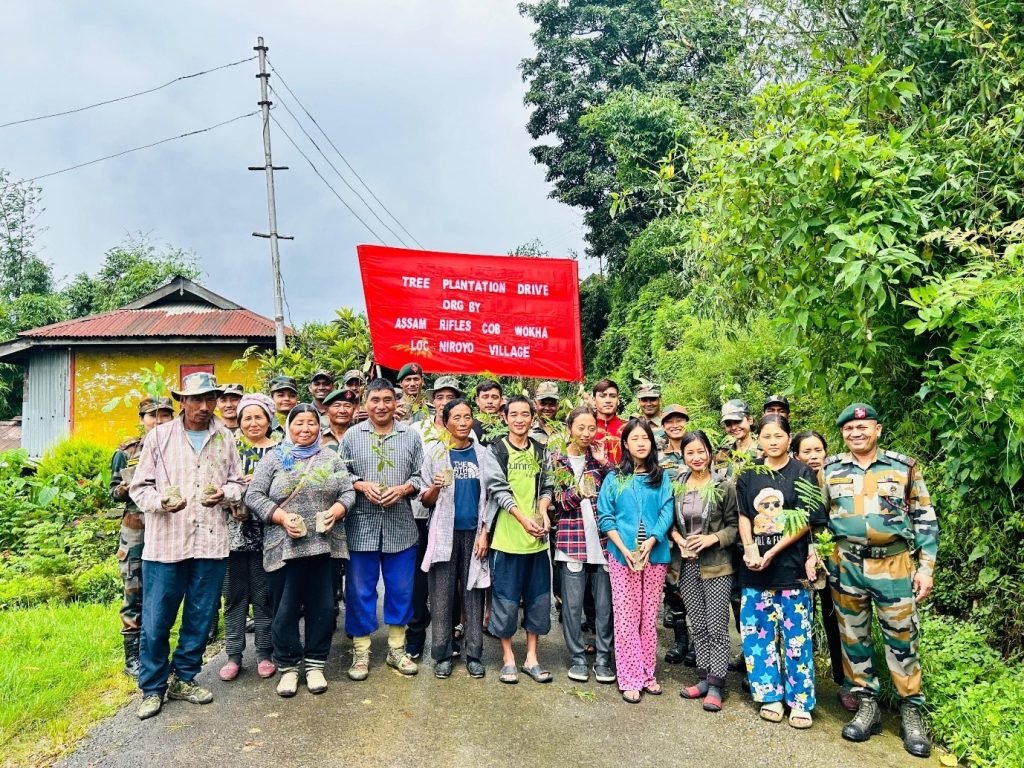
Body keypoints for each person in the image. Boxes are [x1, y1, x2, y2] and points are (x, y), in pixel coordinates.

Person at [823, 403, 937, 758]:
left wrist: (926, 567)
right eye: (849, 429)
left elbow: (924, 516)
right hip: (847, 565)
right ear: (843, 434)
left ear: (877, 430)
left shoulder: (903, 468)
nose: (856, 433)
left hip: (894, 565)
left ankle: (911, 711)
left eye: (863, 427)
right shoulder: (830, 470)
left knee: (902, 638)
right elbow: (819, 519)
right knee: (853, 638)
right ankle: (866, 705)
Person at [128, 372, 245, 720]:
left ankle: (184, 678)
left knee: (200, 616)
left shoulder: (225, 437)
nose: (204, 406)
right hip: (166, 545)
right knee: (157, 619)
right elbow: (139, 488)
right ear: (182, 401)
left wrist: (225, 494)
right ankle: (152, 687)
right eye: (196, 399)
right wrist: (162, 502)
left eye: (210, 399)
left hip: (210, 543)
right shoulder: (160, 436)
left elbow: (238, 483)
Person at [246, 403, 355, 697]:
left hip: (324, 545)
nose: (305, 429)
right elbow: (253, 495)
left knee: (323, 607)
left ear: (319, 427)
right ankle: (288, 667)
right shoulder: (274, 458)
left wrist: (336, 510)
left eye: (311, 423)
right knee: (285, 609)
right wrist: (281, 517)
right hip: (284, 547)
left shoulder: (331, 457)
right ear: (288, 427)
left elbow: (347, 492)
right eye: (299, 423)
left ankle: (316, 664)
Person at [736, 414, 824, 729]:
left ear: (789, 438)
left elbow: (807, 519)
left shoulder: (802, 472)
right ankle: (769, 695)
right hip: (754, 570)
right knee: (757, 636)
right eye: (766, 436)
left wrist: (772, 552)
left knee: (796, 638)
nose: (772, 442)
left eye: (778, 436)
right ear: (758, 438)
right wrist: (750, 549)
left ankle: (800, 701)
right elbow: (743, 515)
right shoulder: (748, 473)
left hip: (791, 569)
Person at [341, 379, 425, 680]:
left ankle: (397, 649)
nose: (381, 406)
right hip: (360, 526)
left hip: (400, 527)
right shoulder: (352, 436)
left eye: (387, 399)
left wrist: (403, 489)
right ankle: (361, 650)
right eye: (375, 400)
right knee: (359, 591)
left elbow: (420, 476)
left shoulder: (410, 436)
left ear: (396, 402)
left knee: (401, 590)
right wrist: (360, 484)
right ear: (365, 403)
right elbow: (340, 474)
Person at [597, 419, 674, 704]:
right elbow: (606, 516)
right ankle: (629, 677)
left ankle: (647, 673)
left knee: (648, 617)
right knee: (626, 618)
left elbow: (667, 511)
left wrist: (652, 540)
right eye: (635, 439)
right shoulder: (614, 477)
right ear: (625, 445)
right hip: (622, 556)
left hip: (655, 555)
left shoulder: (661, 477)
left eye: (646, 438)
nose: (641, 443)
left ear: (652, 443)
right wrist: (624, 549)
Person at [483, 395, 555, 684]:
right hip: (507, 538)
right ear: (505, 417)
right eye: (513, 414)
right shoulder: (496, 450)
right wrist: (522, 519)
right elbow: (498, 490)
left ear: (532, 417)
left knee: (538, 599)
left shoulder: (541, 450)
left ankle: (532, 658)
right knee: (506, 600)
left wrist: (542, 512)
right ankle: (508, 658)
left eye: (525, 414)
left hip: (537, 541)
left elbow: (547, 486)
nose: (519, 419)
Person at [419, 398, 490, 679]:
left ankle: (474, 653)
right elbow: (425, 500)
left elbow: (492, 497)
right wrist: (435, 488)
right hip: (443, 533)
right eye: (456, 417)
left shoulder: (483, 454)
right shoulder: (436, 453)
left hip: (474, 533)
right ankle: (442, 653)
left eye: (467, 417)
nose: (462, 422)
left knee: (473, 592)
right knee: (441, 594)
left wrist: (485, 532)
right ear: (445, 422)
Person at [549, 406, 615, 684]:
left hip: (602, 543)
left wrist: (605, 464)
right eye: (581, 428)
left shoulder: (597, 460)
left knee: (604, 608)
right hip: (571, 542)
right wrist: (579, 491)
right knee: (572, 608)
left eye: (591, 428)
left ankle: (603, 659)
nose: (586, 433)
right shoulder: (557, 460)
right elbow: (560, 503)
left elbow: (617, 491)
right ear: (569, 429)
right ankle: (577, 658)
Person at [110, 396, 175, 679]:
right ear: (142, 419)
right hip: (136, 528)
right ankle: (133, 657)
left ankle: (156, 652)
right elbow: (113, 492)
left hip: (167, 524)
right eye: (152, 415)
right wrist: (126, 488)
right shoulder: (127, 451)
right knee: (134, 588)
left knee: (163, 591)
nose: (159, 420)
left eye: (165, 415)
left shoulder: (177, 446)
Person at [673, 430, 738, 712]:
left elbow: (735, 527)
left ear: (710, 453)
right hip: (686, 564)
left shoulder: (724, 486)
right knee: (698, 624)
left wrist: (712, 538)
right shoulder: (678, 484)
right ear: (683, 456)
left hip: (717, 565)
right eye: (690, 453)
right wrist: (679, 540)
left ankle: (716, 684)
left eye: (701, 451)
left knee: (717, 626)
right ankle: (703, 677)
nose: (696, 457)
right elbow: (671, 523)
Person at [792, 429, 855, 713]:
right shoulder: (790, 483)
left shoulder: (839, 481)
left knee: (836, 621)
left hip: (835, 564)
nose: (814, 457)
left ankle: (846, 682)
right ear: (796, 455)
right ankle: (797, 681)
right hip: (799, 563)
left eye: (818, 450)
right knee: (798, 621)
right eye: (807, 451)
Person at [218, 393, 279, 684]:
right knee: (233, 596)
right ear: (239, 422)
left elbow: (289, 488)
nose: (253, 423)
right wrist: (230, 500)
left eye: (259, 417)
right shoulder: (227, 448)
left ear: (269, 420)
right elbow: (212, 485)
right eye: (247, 418)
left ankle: (265, 652)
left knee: (264, 596)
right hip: (231, 534)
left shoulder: (280, 451)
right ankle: (233, 655)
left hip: (267, 534)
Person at [406, 375, 463, 660]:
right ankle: (415, 636)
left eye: (450, 397)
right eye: (439, 397)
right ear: (432, 401)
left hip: (451, 517)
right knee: (418, 579)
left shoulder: (467, 432)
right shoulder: (417, 430)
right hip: (419, 514)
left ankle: (450, 633)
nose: (444, 402)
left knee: (449, 578)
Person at [656, 404, 694, 666]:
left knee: (700, 587)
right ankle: (681, 640)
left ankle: (700, 643)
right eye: (670, 421)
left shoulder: (697, 448)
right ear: (663, 426)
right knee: (673, 587)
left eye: (680, 420)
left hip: (697, 529)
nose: (675, 425)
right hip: (670, 531)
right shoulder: (658, 457)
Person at [592, 379, 626, 464]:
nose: (608, 400)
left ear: (618, 400)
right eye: (602, 396)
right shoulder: (586, 428)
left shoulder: (627, 427)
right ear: (594, 400)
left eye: (613, 396)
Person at [471, 379, 504, 445]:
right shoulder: (469, 427)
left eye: (495, 397)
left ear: (501, 401)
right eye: (485, 397)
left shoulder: (509, 427)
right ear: (477, 400)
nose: (490, 401)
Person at [529, 381, 560, 446]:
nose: (547, 408)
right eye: (543, 403)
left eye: (552, 404)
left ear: (557, 406)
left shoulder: (566, 431)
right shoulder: (527, 432)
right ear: (535, 404)